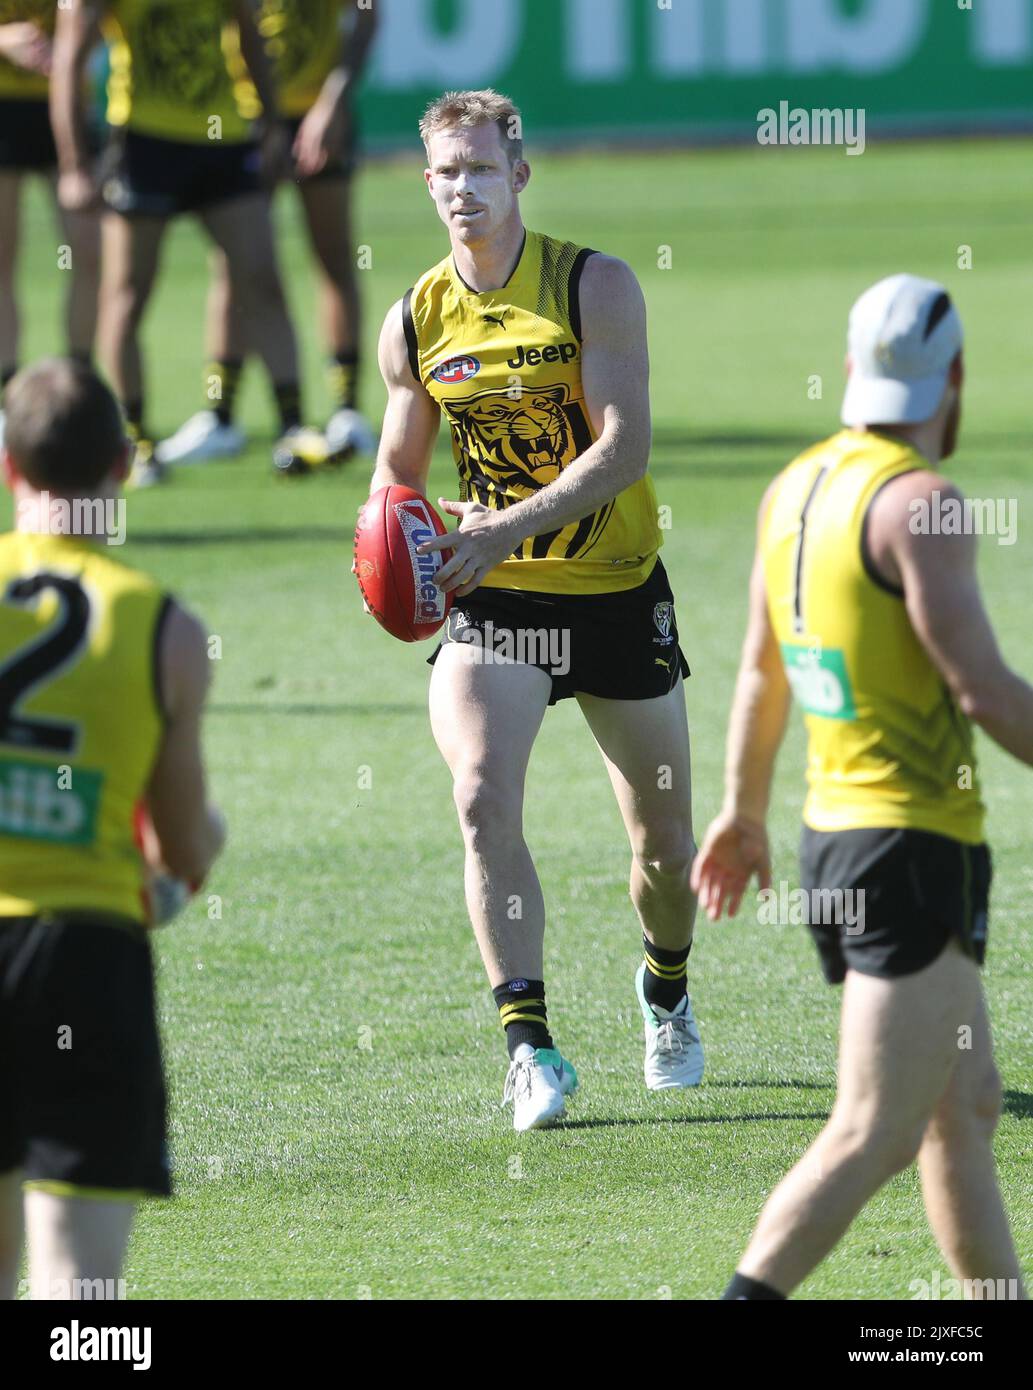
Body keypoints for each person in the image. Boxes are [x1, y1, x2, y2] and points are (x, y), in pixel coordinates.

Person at [369, 89, 701, 1133]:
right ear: (424, 183)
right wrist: (391, 543)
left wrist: (505, 521)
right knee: (479, 796)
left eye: (479, 169)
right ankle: (530, 1049)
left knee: (665, 851)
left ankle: (666, 987)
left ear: (519, 173)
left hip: (612, 593)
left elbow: (624, 448)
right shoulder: (418, 316)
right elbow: (394, 476)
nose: (461, 189)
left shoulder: (592, 286)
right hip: (496, 595)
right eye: (443, 173)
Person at [692, 275, 1030, 1301]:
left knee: (961, 1104)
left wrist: (740, 812)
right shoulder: (919, 505)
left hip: (832, 839)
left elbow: (758, 668)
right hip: (909, 848)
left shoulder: (792, 486)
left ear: (850, 372)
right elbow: (978, 686)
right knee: (871, 1128)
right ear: (954, 379)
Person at [0, 358, 225, 1299]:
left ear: (9, 469)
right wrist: (193, 853)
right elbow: (179, 850)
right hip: (85, 962)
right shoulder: (164, 628)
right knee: (82, 1292)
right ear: (122, 469)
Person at [50, 0, 307, 486]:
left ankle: (293, 427)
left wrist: (271, 122)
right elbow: (70, 56)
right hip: (144, 143)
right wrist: (73, 164)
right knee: (127, 295)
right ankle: (135, 439)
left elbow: (249, 31)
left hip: (224, 139)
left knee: (261, 276)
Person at [157, 0, 379, 471]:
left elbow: (366, 17)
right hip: (243, 118)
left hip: (320, 113)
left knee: (334, 254)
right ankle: (221, 416)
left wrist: (334, 99)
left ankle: (346, 412)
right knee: (235, 262)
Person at [0, 2, 100, 448]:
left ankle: (80, 392)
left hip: (66, 105)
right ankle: (6, 406)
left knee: (90, 251)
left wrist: (77, 44)